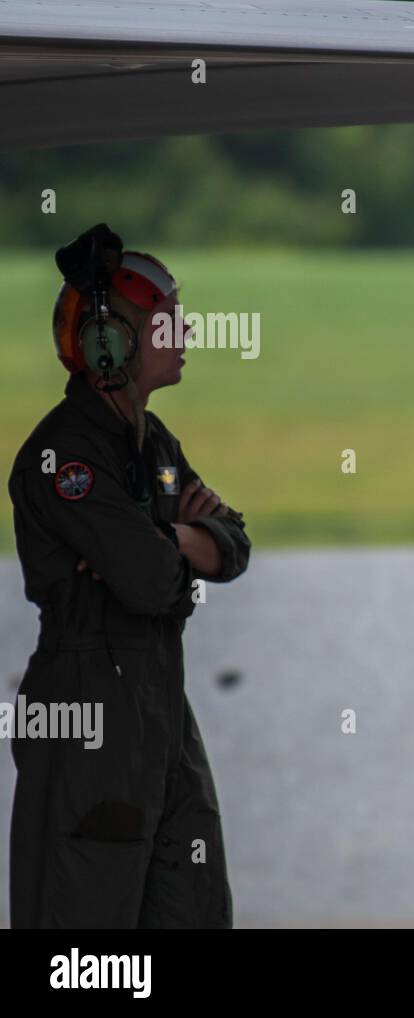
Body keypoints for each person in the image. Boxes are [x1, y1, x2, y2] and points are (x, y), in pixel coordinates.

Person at [8, 223, 249, 928]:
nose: (186, 332)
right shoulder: (65, 459)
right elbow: (150, 583)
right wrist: (179, 544)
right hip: (89, 712)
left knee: (190, 902)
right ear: (111, 344)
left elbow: (233, 544)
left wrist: (166, 537)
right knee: (86, 930)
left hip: (158, 707)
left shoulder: (153, 443)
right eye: (169, 322)